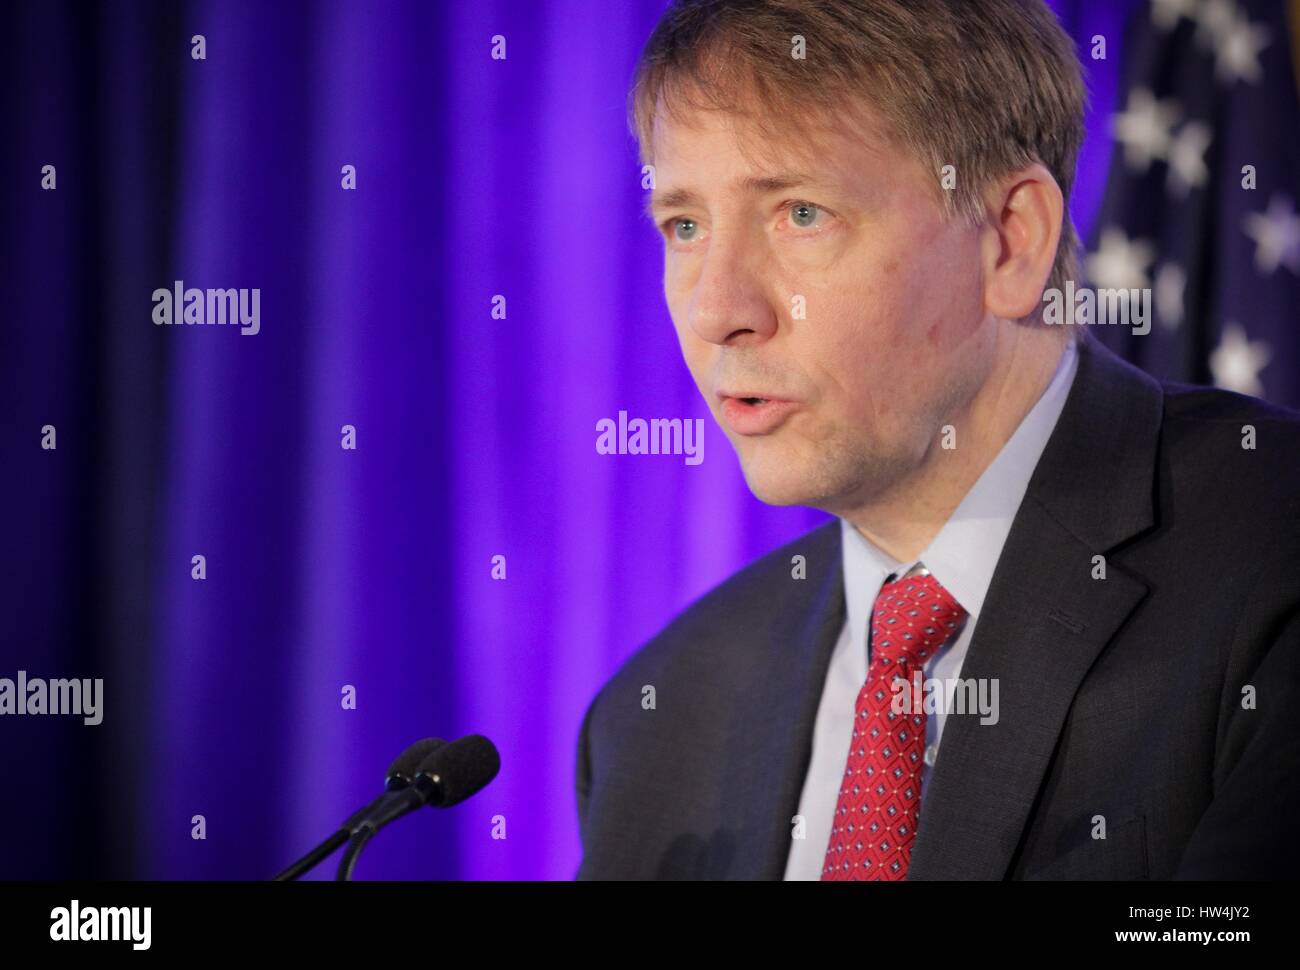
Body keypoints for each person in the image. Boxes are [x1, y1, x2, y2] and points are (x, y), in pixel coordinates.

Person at [575, 0, 1300, 879]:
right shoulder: (656, 724)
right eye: (684, 226)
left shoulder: (1269, 562)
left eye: (800, 213)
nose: (718, 311)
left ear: (1009, 241)